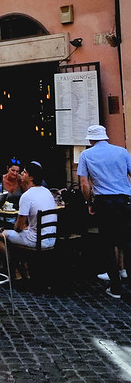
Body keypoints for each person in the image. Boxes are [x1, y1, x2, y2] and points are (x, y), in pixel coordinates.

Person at [78, 124, 131, 299]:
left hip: (104, 201)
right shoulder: (122, 152)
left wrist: (89, 202)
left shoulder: (86, 155)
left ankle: (115, 287)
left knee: (108, 244)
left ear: (91, 139)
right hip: (124, 199)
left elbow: (84, 183)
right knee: (127, 242)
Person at [0, 162, 56, 253]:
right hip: (51, 239)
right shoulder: (47, 192)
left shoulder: (27, 196)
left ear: (31, 177)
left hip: (35, 240)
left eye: (25, 172)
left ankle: (11, 265)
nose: (21, 173)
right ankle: (22, 263)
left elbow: (19, 227)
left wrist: (16, 228)